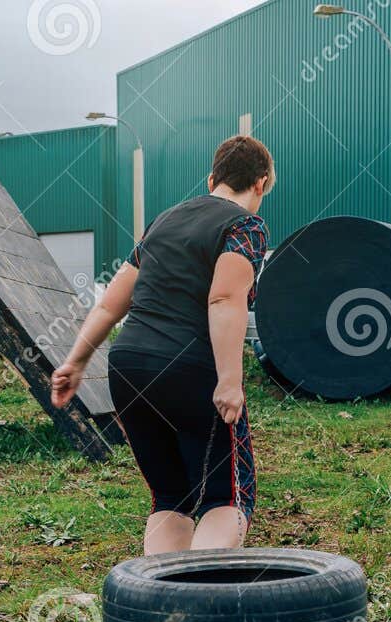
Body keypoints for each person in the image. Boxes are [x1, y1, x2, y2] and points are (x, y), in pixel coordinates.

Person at [52, 135, 274, 554]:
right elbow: (224, 298)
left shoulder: (163, 221)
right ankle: (205, 603)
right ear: (260, 183)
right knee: (222, 498)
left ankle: (160, 605)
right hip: (189, 370)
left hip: (129, 369)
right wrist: (229, 381)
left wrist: (75, 362)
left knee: (171, 497)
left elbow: (109, 307)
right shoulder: (245, 227)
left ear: (212, 178)